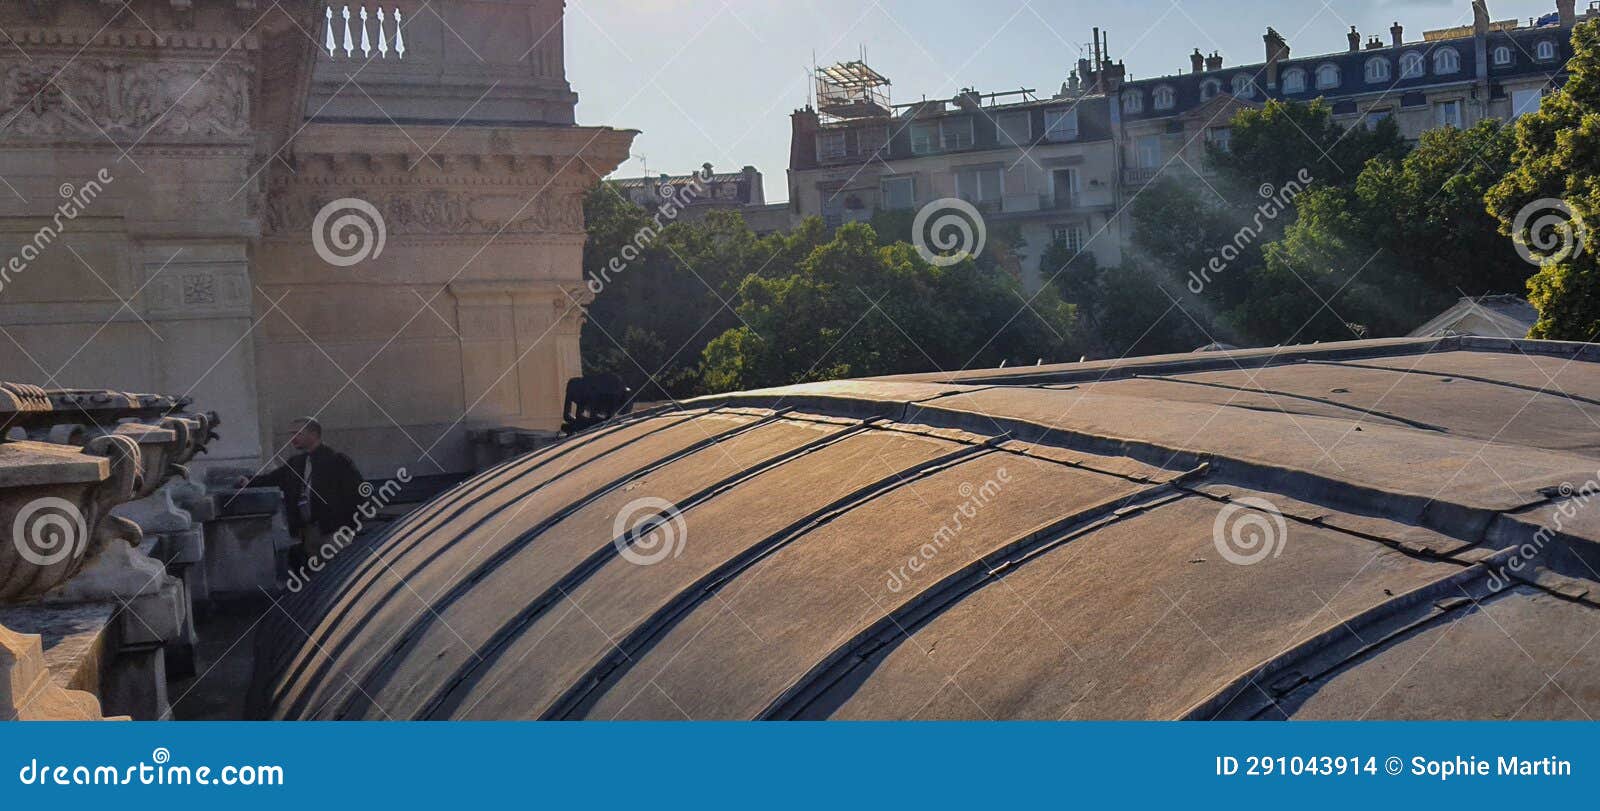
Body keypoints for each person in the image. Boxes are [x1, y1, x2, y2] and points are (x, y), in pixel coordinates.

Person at [236, 417, 364, 567]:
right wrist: (248, 482)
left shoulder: (338, 460)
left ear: (314, 434)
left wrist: (347, 527)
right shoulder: (296, 463)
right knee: (315, 577)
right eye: (292, 434)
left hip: (333, 531)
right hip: (308, 531)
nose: (293, 438)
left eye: (298, 433)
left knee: (336, 574)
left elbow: (359, 495)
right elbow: (272, 478)